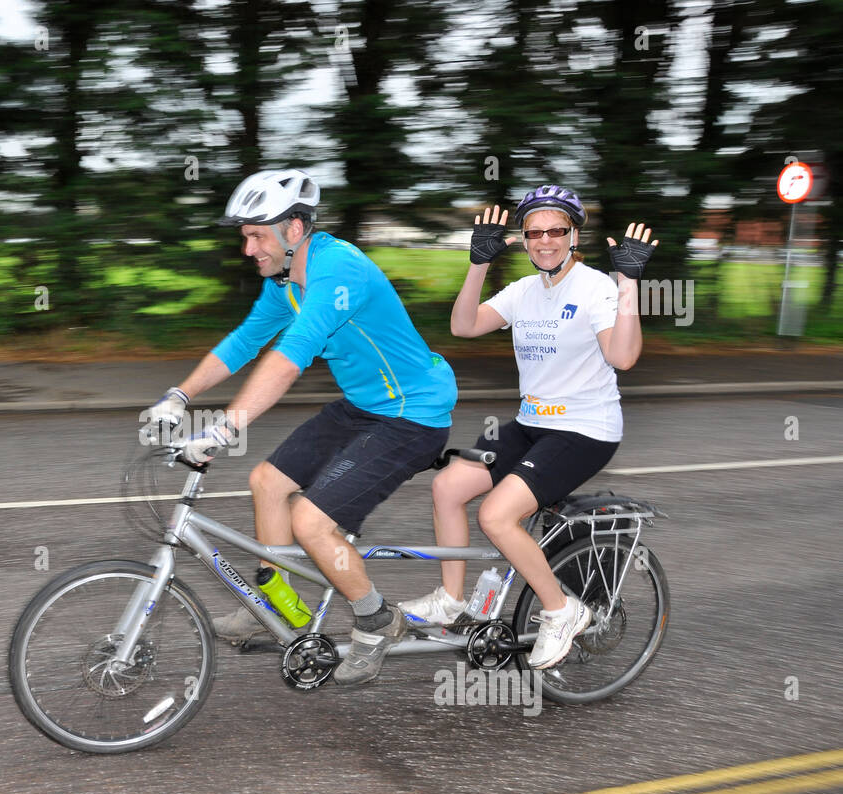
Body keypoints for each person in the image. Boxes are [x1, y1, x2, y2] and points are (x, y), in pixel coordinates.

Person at [140, 168, 458, 686]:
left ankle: (377, 618)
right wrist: (179, 396)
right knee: (267, 482)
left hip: (413, 415)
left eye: (256, 234)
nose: (247, 249)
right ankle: (280, 609)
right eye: (244, 235)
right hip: (364, 406)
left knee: (310, 521)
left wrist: (224, 428)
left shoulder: (339, 270)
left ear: (293, 229)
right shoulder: (287, 281)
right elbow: (245, 343)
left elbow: (289, 360)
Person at [399, 184, 658, 669]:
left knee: (496, 516)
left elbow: (622, 357)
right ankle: (454, 601)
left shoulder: (597, 287)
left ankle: (563, 611)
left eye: (556, 230)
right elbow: (464, 326)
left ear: (573, 234)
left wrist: (629, 284)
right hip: (529, 421)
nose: (544, 241)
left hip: (584, 428)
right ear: (522, 238)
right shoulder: (523, 291)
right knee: (448, 488)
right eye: (534, 232)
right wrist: (477, 263)